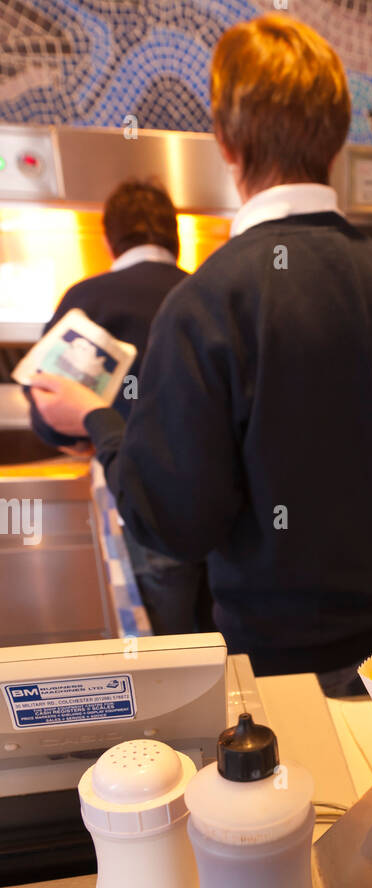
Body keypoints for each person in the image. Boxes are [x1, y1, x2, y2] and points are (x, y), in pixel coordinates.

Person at [32, 15, 372, 692]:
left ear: (225, 139)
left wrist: (100, 422)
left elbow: (173, 520)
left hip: (285, 667)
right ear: (337, 138)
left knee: (308, 802)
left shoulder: (208, 304)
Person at [27, 179, 212, 635]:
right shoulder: (208, 292)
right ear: (176, 235)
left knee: (169, 652)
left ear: (109, 238)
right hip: (221, 508)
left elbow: (48, 415)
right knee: (221, 648)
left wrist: (82, 433)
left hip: (140, 502)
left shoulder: (87, 300)